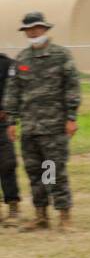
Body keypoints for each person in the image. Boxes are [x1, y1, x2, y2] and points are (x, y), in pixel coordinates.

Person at [1, 12, 80, 232]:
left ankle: (64, 216)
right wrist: (12, 121)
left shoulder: (61, 56)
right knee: (35, 173)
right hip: (30, 129)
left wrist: (71, 117)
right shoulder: (22, 59)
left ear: (45, 29)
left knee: (54, 171)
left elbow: (72, 88)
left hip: (54, 128)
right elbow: (13, 91)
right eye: (29, 29)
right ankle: (41, 215)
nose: (33, 32)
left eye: (36, 28)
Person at [0, 53, 20, 226]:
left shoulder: (7, 64)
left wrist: (8, 111)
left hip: (2, 124)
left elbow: (15, 89)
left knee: (7, 163)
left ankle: (13, 206)